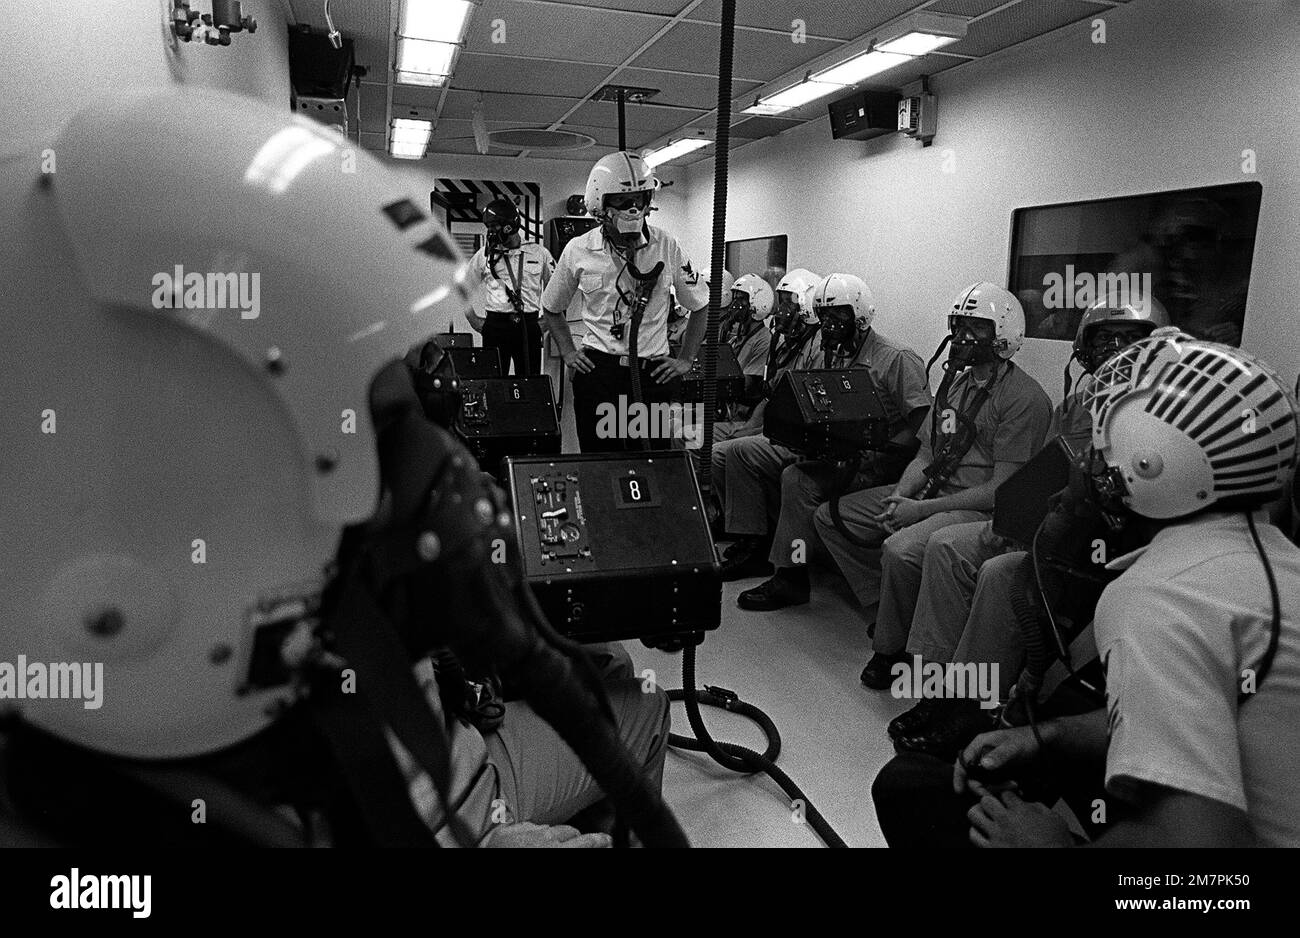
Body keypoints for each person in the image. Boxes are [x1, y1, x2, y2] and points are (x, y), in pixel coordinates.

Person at [0, 89, 673, 848]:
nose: (436, 474)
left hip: (441, 735)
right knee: (640, 698)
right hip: (464, 799)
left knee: (602, 661)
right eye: (378, 429)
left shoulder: (216, 593)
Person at [873, 329, 1300, 847]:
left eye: (1100, 444)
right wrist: (1045, 735)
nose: (1085, 460)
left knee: (906, 788)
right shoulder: (1270, 560)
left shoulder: (1157, 599)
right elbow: (1200, 717)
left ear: (1148, 464)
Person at [887, 298, 1169, 757]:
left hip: (1118, 549)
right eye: (1104, 340)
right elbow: (1049, 472)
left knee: (1001, 575)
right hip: (1059, 527)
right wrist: (1022, 517)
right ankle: (935, 684)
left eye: (1131, 340)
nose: (1116, 351)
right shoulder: (1079, 405)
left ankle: (969, 704)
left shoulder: (1168, 415)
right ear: (1084, 348)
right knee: (950, 549)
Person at [810, 283, 1052, 684]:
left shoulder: (1024, 399)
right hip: (933, 490)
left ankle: (893, 648)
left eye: (976, 327)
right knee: (830, 517)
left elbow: (1002, 488)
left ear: (1004, 336)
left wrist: (919, 511)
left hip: (975, 504)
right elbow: (925, 454)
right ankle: (887, 604)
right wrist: (900, 496)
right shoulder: (955, 385)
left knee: (900, 548)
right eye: (959, 325)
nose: (962, 337)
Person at [731, 274, 932, 595]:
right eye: (824, 316)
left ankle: (792, 573)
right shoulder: (833, 353)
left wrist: (877, 452)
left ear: (860, 314)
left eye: (839, 315)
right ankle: (762, 544)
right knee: (756, 457)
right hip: (835, 450)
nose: (829, 324)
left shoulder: (895, 358)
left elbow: (922, 426)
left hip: (881, 459)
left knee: (796, 480)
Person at [541, 152, 710, 453]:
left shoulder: (665, 245)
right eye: (621, 201)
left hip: (652, 375)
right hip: (599, 374)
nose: (633, 209)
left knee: (654, 464)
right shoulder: (578, 249)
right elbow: (552, 307)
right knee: (601, 466)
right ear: (600, 205)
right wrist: (567, 351)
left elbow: (701, 304)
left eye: (640, 199)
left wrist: (686, 359)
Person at [708, 268, 820, 558]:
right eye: (780, 302)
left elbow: (766, 391)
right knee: (714, 449)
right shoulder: (785, 343)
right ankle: (736, 525)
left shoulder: (815, 347)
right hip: (766, 422)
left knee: (730, 452)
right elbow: (772, 393)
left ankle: (755, 542)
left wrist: (751, 429)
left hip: (790, 433)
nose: (781, 311)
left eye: (788, 303)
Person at [464, 197, 555, 377]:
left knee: (530, 383)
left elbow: (558, 292)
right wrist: (473, 320)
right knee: (493, 384)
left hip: (528, 326)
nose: (490, 231)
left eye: (494, 226)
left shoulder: (539, 253)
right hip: (495, 327)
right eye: (488, 227)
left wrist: (547, 322)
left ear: (509, 226)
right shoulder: (484, 255)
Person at [710, 273, 774, 443]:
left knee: (686, 434)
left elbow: (746, 385)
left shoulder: (763, 340)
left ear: (757, 303)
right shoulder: (735, 338)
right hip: (723, 411)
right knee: (670, 423)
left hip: (740, 418)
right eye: (735, 299)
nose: (736, 305)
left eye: (742, 300)